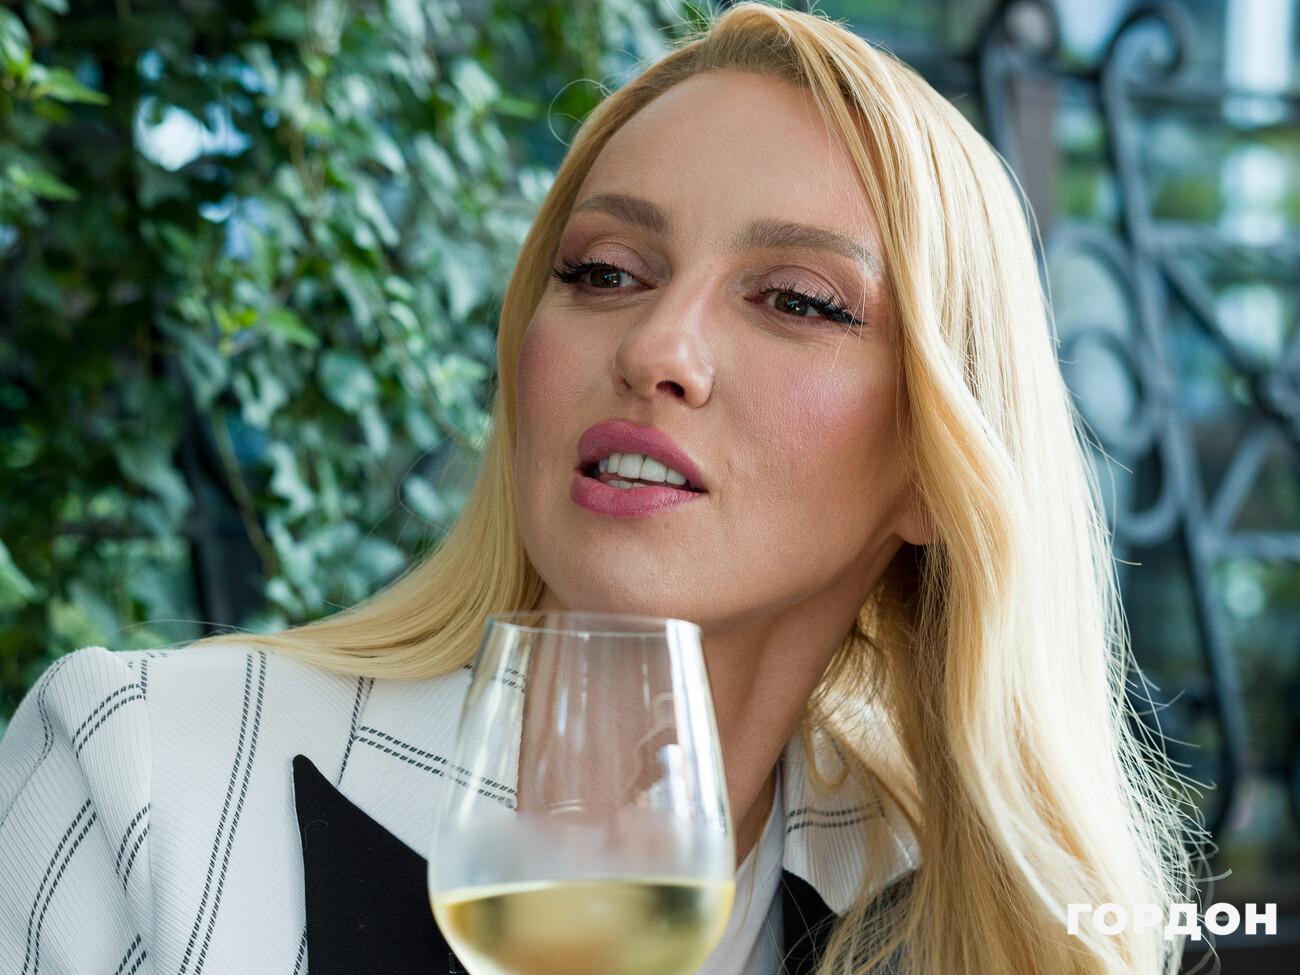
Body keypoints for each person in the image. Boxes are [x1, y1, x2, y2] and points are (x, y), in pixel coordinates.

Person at [0, 3, 1199, 974]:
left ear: (936, 468)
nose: (657, 348)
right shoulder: (147, 768)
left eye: (796, 300)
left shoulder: (975, 919)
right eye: (606, 272)